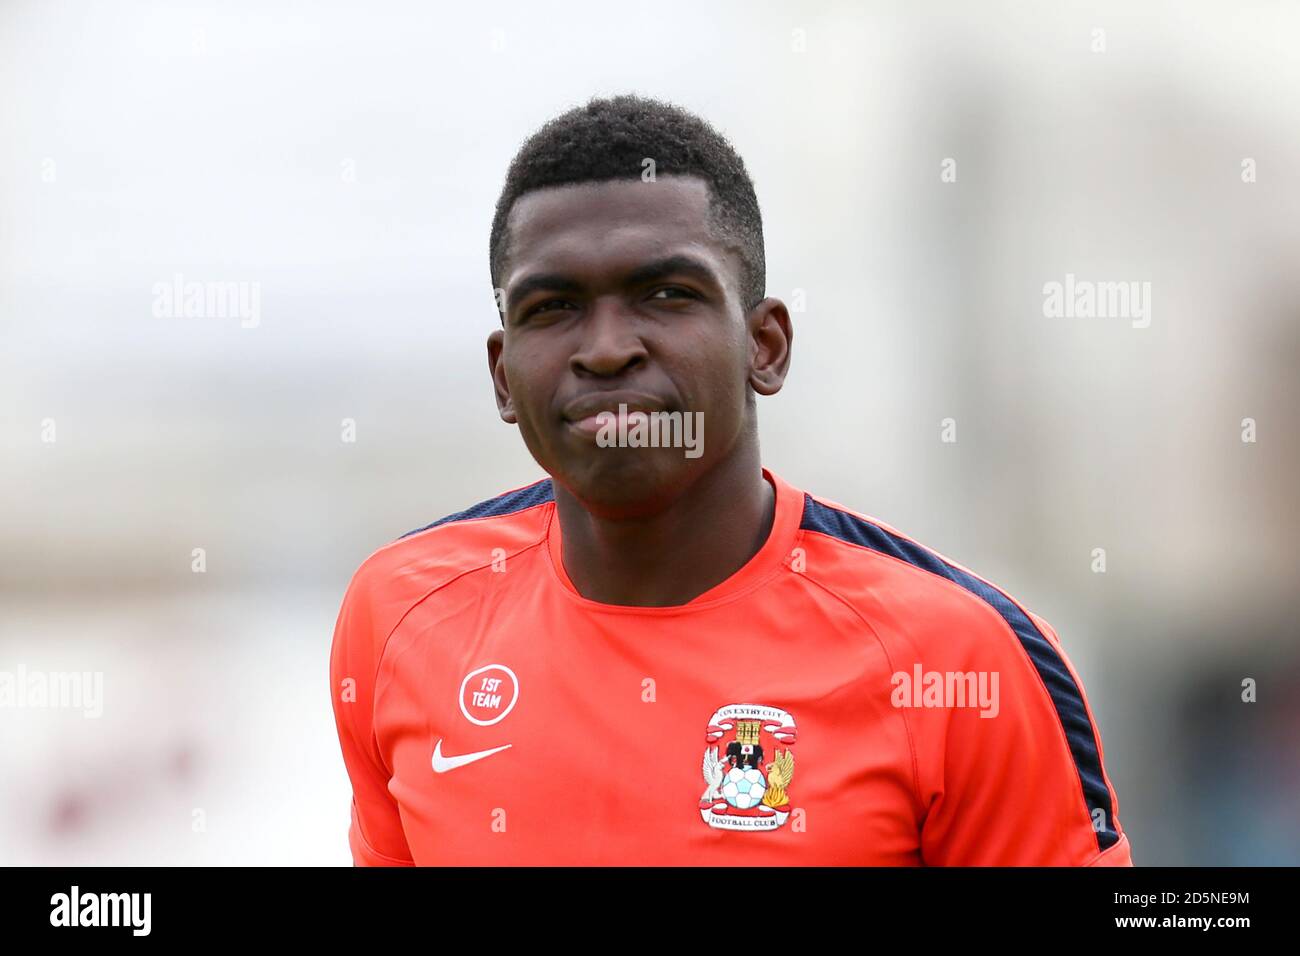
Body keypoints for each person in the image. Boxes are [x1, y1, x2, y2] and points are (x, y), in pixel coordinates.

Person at [329, 93, 1133, 865]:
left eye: (666, 294)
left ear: (766, 346)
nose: (606, 349)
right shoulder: (399, 613)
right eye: (553, 306)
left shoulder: (960, 659)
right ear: (504, 378)